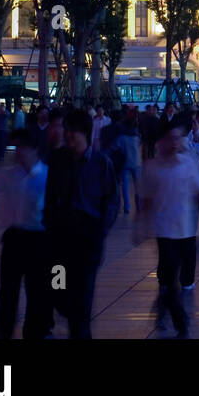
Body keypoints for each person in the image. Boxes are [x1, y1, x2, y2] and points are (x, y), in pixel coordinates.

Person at [43, 109, 118, 338]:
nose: (67, 135)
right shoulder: (58, 160)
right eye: (66, 130)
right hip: (60, 238)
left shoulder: (100, 163)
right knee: (57, 289)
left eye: (72, 131)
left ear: (85, 133)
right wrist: (49, 221)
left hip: (88, 239)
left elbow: (112, 200)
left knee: (82, 303)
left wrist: (100, 231)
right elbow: (49, 194)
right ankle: (65, 310)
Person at [138, 117, 199, 337]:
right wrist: (140, 225)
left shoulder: (189, 163)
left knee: (176, 278)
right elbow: (147, 200)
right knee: (170, 278)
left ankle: (160, 311)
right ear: (161, 142)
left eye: (177, 138)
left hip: (187, 229)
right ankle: (182, 323)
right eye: (170, 138)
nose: (174, 142)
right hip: (165, 231)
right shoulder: (152, 167)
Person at [0, 130, 49, 339]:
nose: (18, 152)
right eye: (16, 147)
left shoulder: (46, 176)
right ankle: (4, 330)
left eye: (22, 147)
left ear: (34, 150)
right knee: (8, 289)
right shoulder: (9, 175)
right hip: (13, 237)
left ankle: (34, 331)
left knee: (36, 289)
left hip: (38, 238)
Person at [115, 112, 142, 214]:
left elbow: (115, 147)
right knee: (138, 186)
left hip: (125, 163)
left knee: (125, 187)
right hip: (137, 163)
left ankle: (127, 207)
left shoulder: (121, 138)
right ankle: (139, 205)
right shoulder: (137, 136)